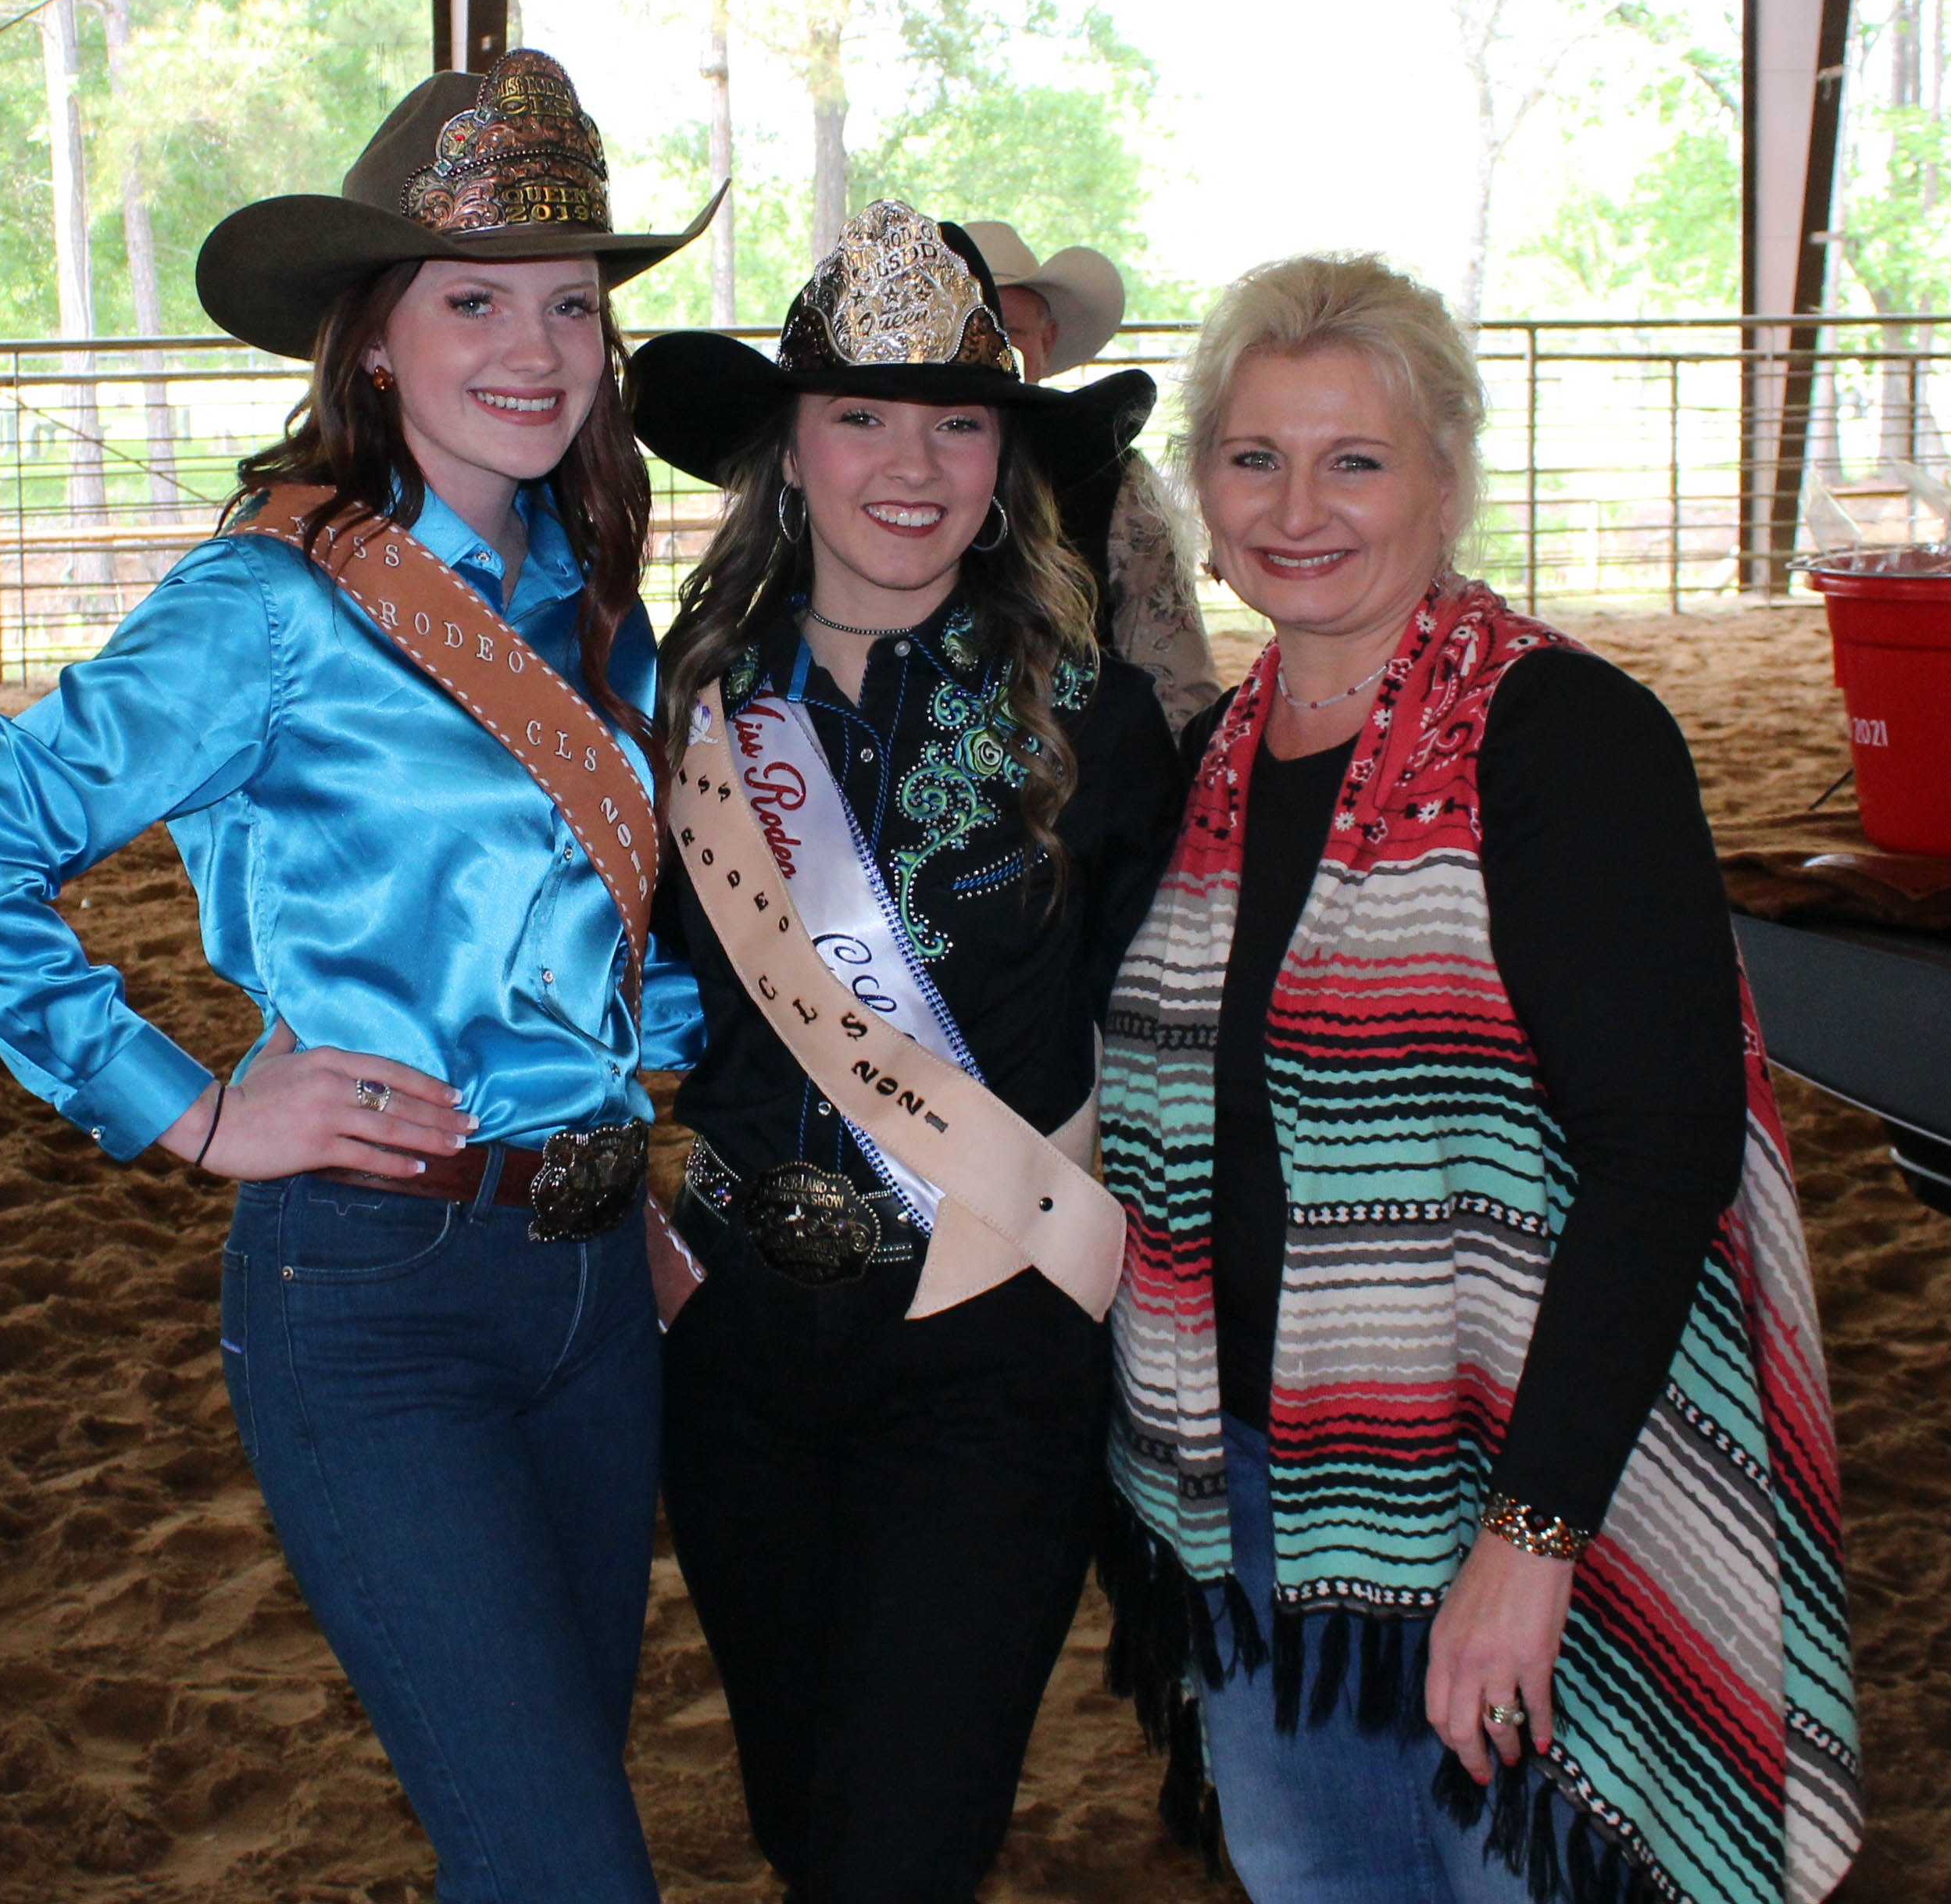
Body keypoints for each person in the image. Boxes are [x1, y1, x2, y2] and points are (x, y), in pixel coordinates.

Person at [0, 53, 720, 1904]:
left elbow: (622, 920)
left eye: (570, 304)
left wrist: (631, 1122)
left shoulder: (586, 586)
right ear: (375, 340)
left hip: (588, 1284)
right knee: (571, 1872)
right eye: (473, 297)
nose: (535, 344)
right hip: (372, 1288)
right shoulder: (268, 601)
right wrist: (181, 1103)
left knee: (541, 1835)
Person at [1094, 253, 1865, 1904]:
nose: (1297, 506)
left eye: (1352, 460)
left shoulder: (1559, 736)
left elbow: (1664, 1157)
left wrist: (1528, 1544)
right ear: (1202, 490)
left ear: (1444, 479)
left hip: (1520, 1477)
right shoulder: (1214, 758)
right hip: (1262, 1482)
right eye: (1252, 458)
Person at [624, 200, 1185, 1903]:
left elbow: (1142, 1005)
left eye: (957, 419)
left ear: (1007, 458)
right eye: (860, 413)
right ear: (785, 451)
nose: (912, 461)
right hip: (729, 1349)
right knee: (807, 1821)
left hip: (983, 1341)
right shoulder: (683, 690)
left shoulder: (1090, 711)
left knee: (895, 1849)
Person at [966, 219, 1220, 729]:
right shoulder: (885, 474)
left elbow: (1172, 667)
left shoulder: (1119, 476)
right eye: (969, 330)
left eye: (1007, 331)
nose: (985, 351)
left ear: (1047, 339)